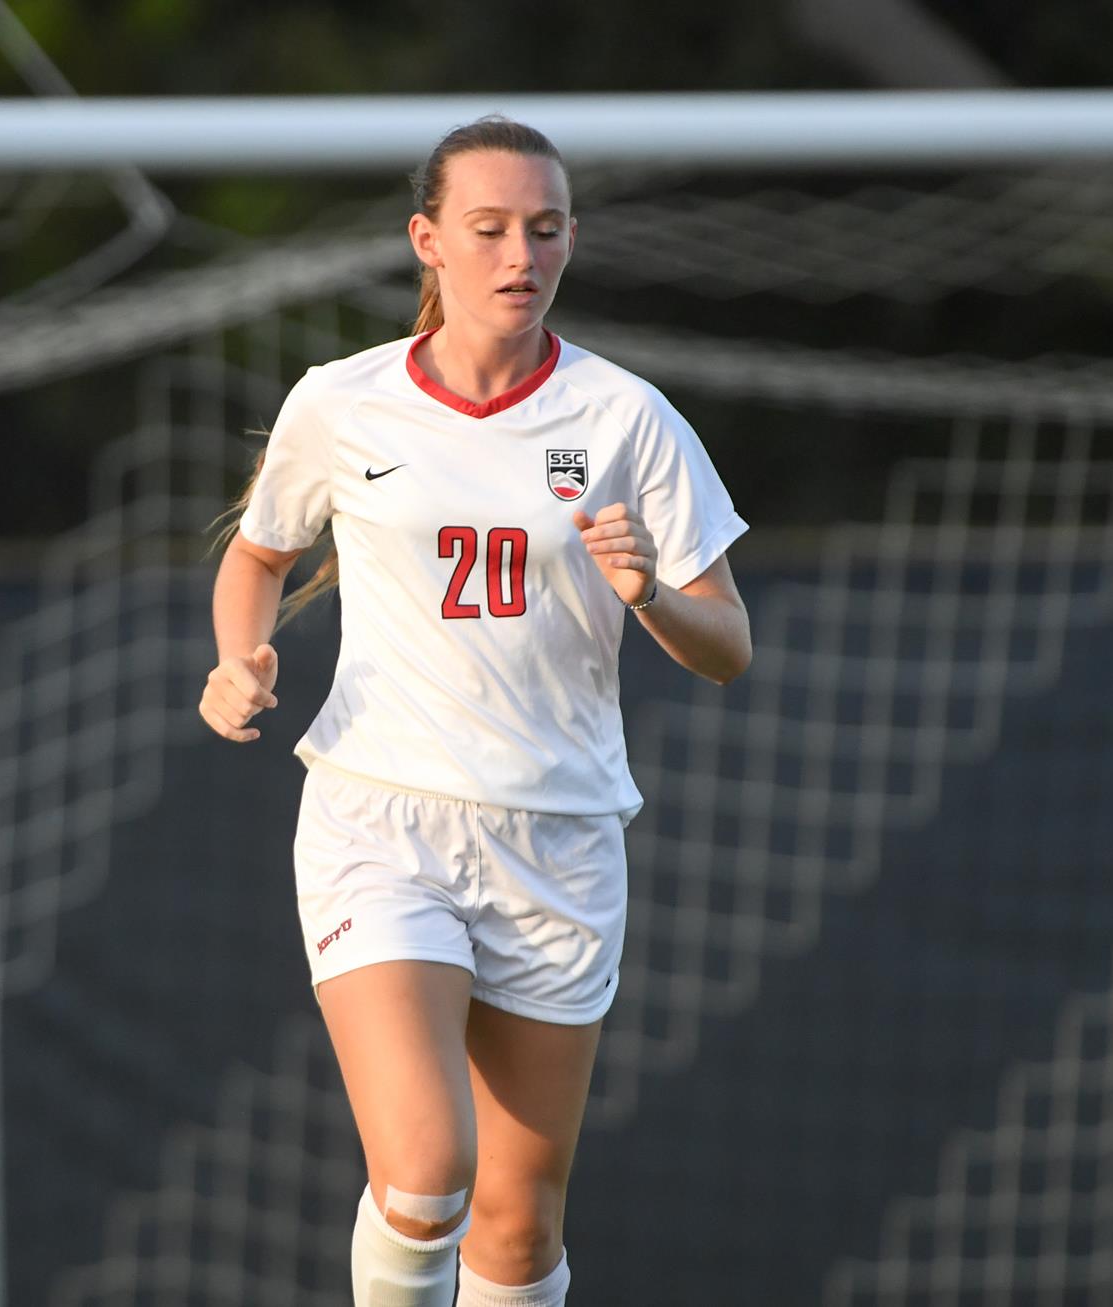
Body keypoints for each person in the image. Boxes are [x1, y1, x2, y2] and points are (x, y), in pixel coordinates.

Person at [198, 117, 751, 1307]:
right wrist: (237, 656)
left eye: (543, 230)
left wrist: (648, 591)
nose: (519, 255)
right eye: (489, 229)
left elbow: (729, 645)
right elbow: (255, 554)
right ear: (427, 241)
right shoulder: (340, 403)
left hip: (557, 839)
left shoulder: (625, 420)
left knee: (513, 1222)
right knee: (427, 1167)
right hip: (378, 817)